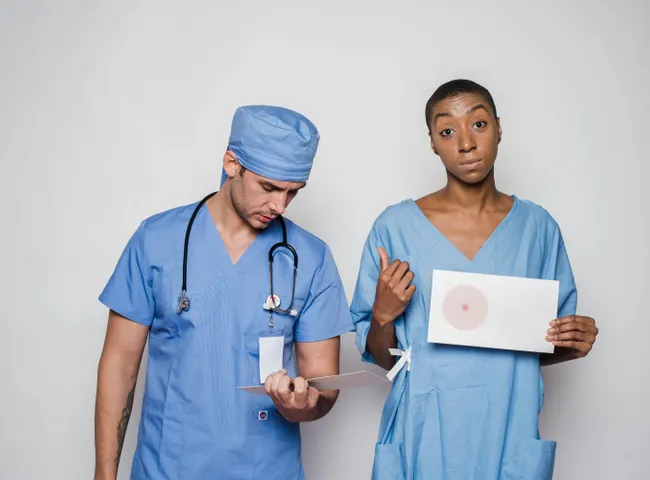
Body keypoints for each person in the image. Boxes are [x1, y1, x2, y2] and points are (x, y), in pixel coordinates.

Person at [349, 79, 599, 479]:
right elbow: (383, 359)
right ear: (432, 142)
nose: (465, 143)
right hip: (424, 430)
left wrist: (573, 342)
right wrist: (381, 316)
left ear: (499, 128)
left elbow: (542, 342)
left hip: (508, 426)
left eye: (478, 125)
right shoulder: (394, 228)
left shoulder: (537, 229)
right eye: (447, 131)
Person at [94, 105, 353, 480]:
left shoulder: (310, 259)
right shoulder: (156, 241)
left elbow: (323, 386)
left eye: (292, 192)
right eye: (268, 187)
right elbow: (119, 366)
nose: (279, 206)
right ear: (232, 163)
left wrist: (303, 405)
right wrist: (104, 475)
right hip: (167, 468)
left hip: (266, 470)